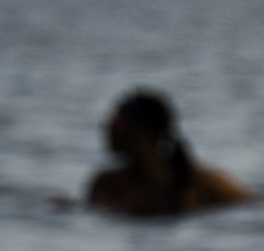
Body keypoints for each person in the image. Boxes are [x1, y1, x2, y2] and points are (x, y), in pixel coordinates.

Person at [87, 91, 254, 215]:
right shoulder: (106, 184)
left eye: (117, 122)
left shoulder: (202, 183)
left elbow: (250, 208)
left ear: (143, 132)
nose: (107, 128)